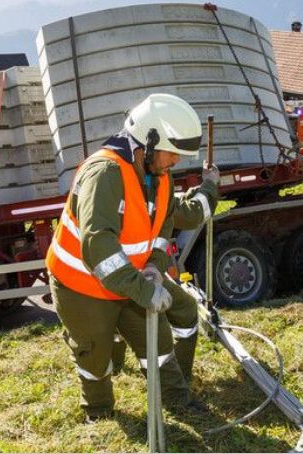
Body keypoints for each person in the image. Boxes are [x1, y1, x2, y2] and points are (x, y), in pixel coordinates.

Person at [46, 93, 219, 422]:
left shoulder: (159, 178)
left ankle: (177, 402)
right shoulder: (105, 174)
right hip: (82, 287)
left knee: (160, 343)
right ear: (149, 141)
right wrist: (144, 290)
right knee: (95, 357)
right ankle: (99, 414)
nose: (176, 162)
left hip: (131, 281)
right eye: (173, 153)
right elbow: (99, 247)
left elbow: (164, 225)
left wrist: (153, 266)